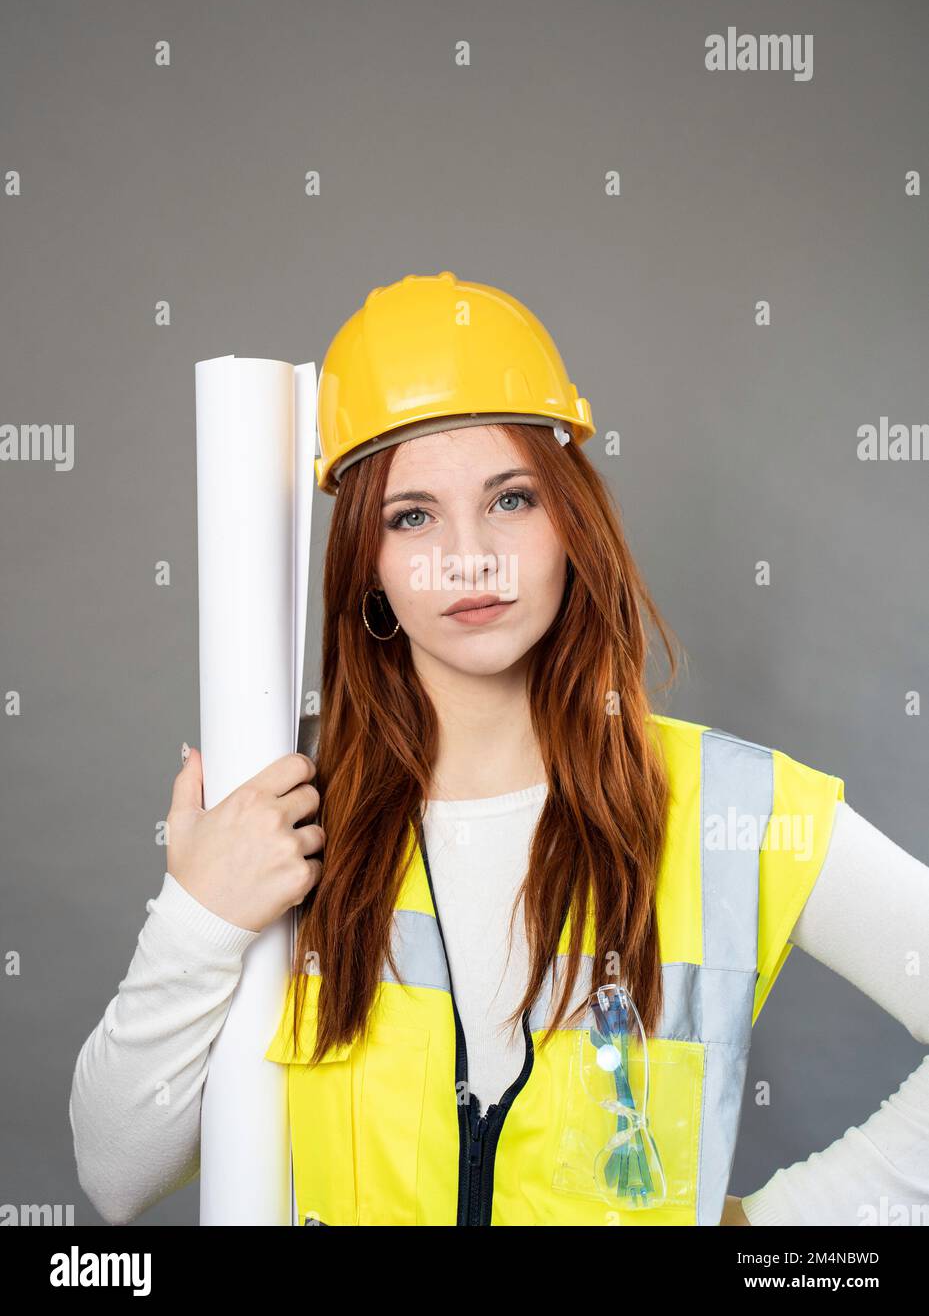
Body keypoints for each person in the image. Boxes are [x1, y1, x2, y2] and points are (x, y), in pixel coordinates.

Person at [70, 273, 929, 1226]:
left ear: (571, 521)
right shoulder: (287, 818)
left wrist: (768, 1240)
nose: (465, 556)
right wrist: (200, 917)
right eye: (412, 516)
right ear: (369, 564)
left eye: (510, 499)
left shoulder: (732, 807)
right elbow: (115, 1174)